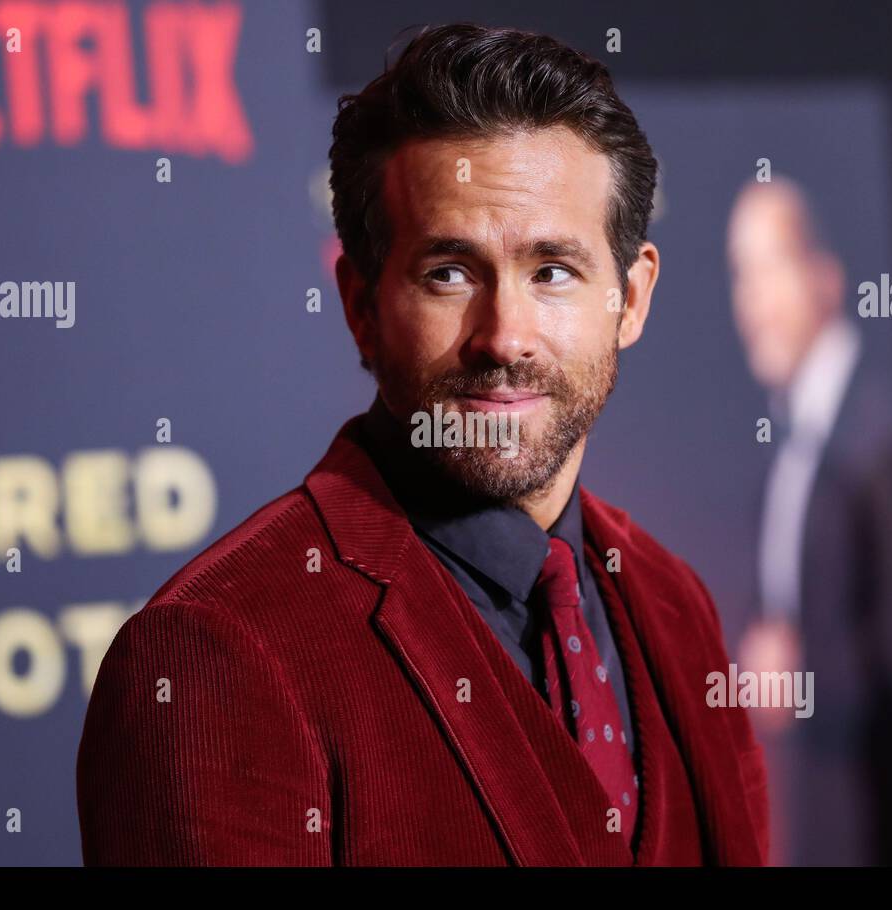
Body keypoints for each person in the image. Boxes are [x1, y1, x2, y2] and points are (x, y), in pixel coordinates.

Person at [76, 23, 768, 866]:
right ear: (361, 305)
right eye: (450, 272)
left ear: (630, 299)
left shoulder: (673, 602)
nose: (504, 336)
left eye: (553, 271)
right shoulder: (215, 653)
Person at [727, 178, 892, 864]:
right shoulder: (790, 442)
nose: (751, 298)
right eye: (740, 273)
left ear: (826, 277)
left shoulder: (882, 436)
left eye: (770, 266)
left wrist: (801, 680)